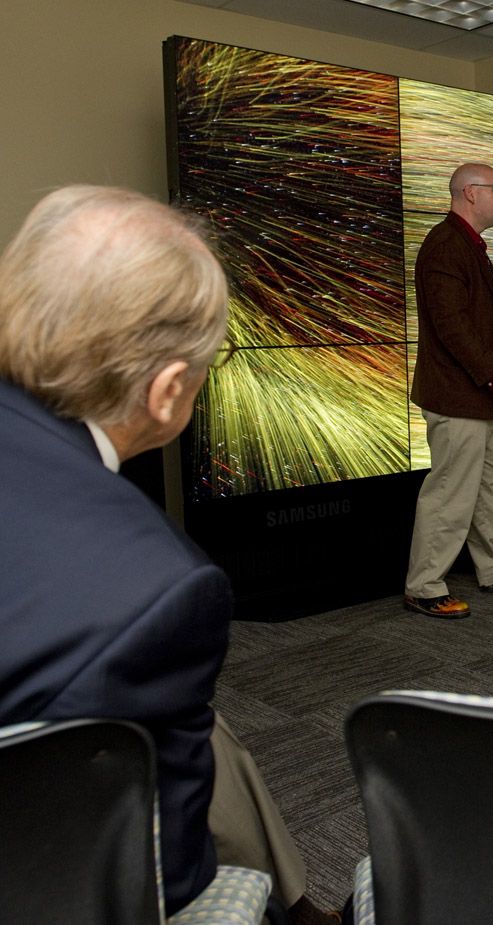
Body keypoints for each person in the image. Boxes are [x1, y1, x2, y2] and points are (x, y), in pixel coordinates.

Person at [0, 186, 338, 924]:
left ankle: (298, 899)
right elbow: (165, 878)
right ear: (167, 392)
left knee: (209, 733)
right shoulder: (152, 587)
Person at [404, 162, 493, 619]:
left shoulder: (463, 246)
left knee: (487, 486)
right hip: (459, 394)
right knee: (451, 490)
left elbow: (463, 305)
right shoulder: (445, 246)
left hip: (475, 397)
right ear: (470, 193)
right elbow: (451, 325)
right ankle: (424, 585)